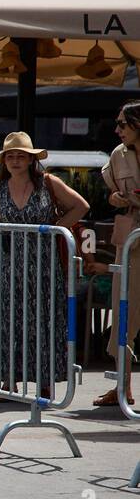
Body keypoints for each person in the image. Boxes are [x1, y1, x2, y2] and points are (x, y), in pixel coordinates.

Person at [0, 132, 87, 399]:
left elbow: (81, 206)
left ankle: (45, 382)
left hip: (44, 265)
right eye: (10, 156)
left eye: (21, 156)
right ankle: (7, 380)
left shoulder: (48, 183)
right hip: (9, 264)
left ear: (31, 160)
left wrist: (54, 228)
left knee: (44, 321)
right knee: (7, 321)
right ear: (4, 161)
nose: (15, 160)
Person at [96, 101, 140, 405]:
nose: (117, 129)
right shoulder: (117, 155)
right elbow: (110, 195)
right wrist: (115, 198)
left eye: (123, 124)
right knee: (124, 309)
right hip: (131, 241)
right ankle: (122, 387)